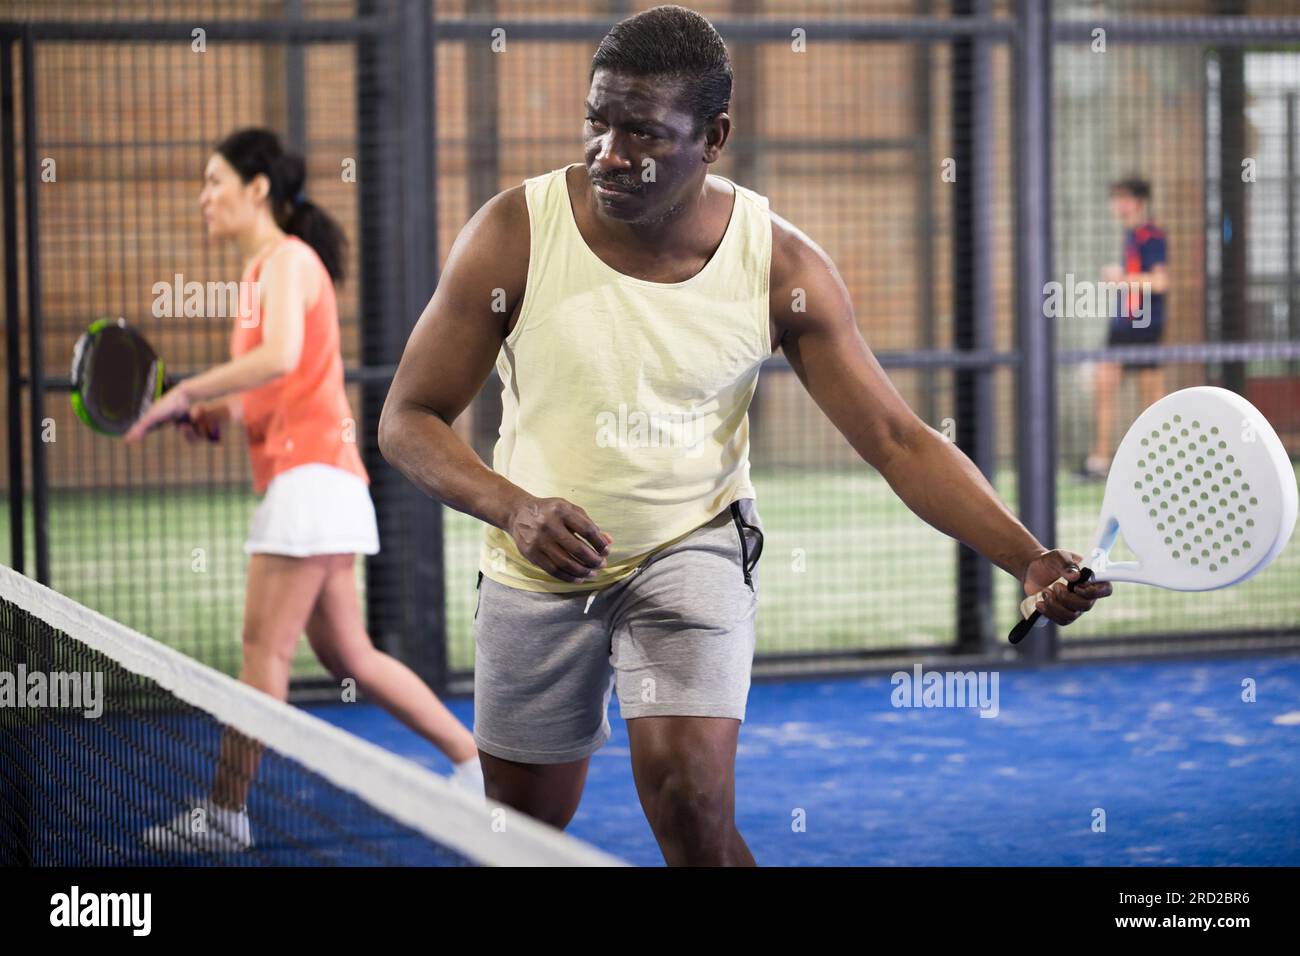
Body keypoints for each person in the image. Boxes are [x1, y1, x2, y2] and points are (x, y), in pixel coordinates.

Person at [379, 5, 1112, 866]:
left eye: (643, 132)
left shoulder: (780, 267)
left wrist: (1025, 556)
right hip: (534, 565)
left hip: (692, 548)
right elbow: (407, 419)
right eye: (597, 121)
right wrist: (514, 508)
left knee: (691, 802)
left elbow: (896, 439)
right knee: (524, 825)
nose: (609, 152)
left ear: (714, 136)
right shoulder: (513, 234)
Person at [128, 128, 481, 852]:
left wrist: (186, 389)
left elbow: (281, 354)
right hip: (327, 481)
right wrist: (214, 413)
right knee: (350, 655)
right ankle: (477, 764)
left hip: (312, 481)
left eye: (214, 182)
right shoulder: (266, 273)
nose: (203, 198)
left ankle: (224, 813)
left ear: (258, 190)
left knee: (264, 652)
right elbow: (278, 383)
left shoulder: (285, 261)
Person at [1083, 176, 1169, 479]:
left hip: (1146, 328)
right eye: (1114, 198)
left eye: (1122, 198)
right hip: (1122, 326)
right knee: (1103, 385)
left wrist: (1122, 278)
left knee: (1152, 399)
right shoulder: (1130, 236)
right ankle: (1099, 461)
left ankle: (1161, 461)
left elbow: (1160, 282)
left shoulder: (1152, 237)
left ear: (1139, 201)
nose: (1116, 204)